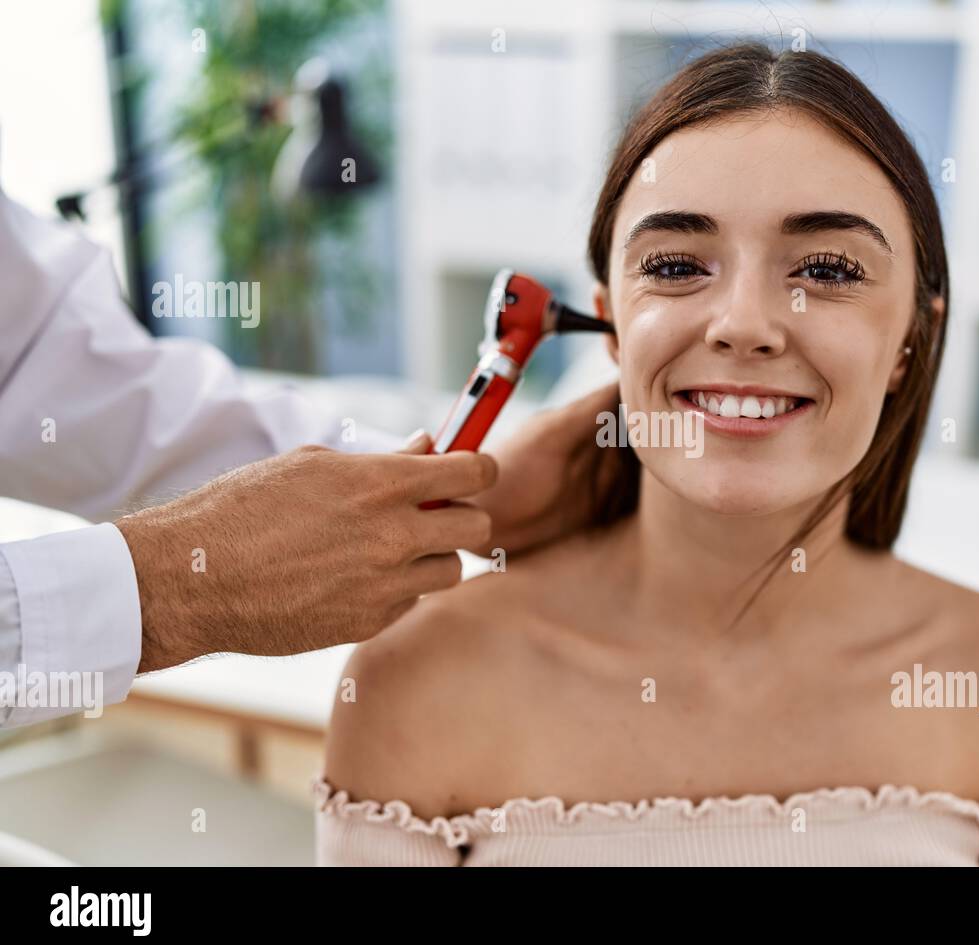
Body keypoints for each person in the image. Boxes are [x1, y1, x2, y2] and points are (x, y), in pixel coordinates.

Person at [315, 43, 979, 867]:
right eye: (673, 266)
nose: (744, 322)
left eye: (827, 269)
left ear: (911, 342)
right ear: (611, 327)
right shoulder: (415, 682)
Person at [0, 177, 614, 728]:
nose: (716, 324)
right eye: (672, 268)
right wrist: (169, 587)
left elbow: (86, 391)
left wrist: (449, 486)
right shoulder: (411, 688)